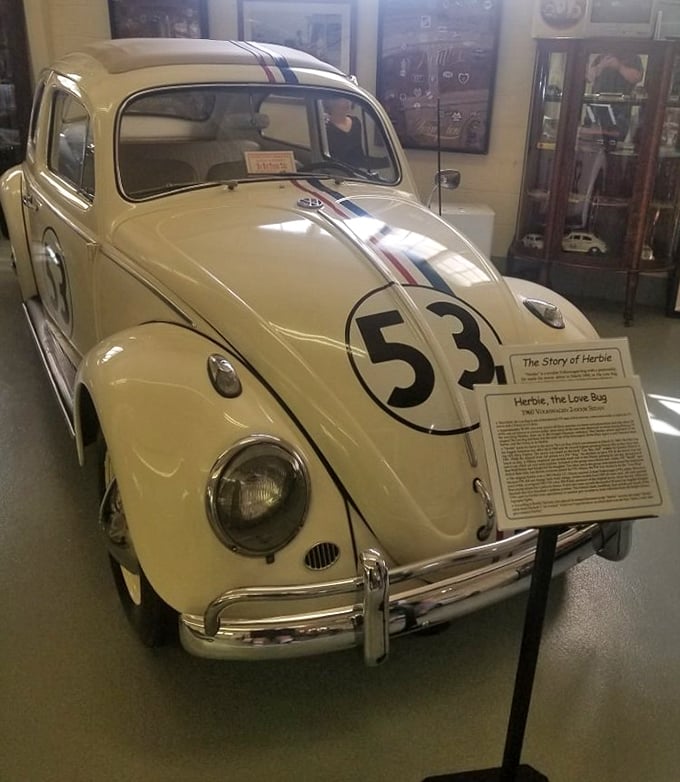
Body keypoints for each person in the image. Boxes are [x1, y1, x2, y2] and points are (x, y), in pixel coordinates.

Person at [586, 52, 644, 142]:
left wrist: (619, 66)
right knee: (592, 145)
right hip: (596, 109)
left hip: (620, 113)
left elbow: (636, 77)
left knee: (615, 145)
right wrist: (601, 66)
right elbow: (589, 77)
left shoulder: (633, 57)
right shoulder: (602, 56)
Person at [324, 97, 366, 167]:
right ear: (330, 103)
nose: (347, 102)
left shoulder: (356, 122)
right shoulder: (325, 127)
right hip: (334, 173)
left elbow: (359, 157)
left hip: (356, 174)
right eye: (341, 99)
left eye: (347, 98)